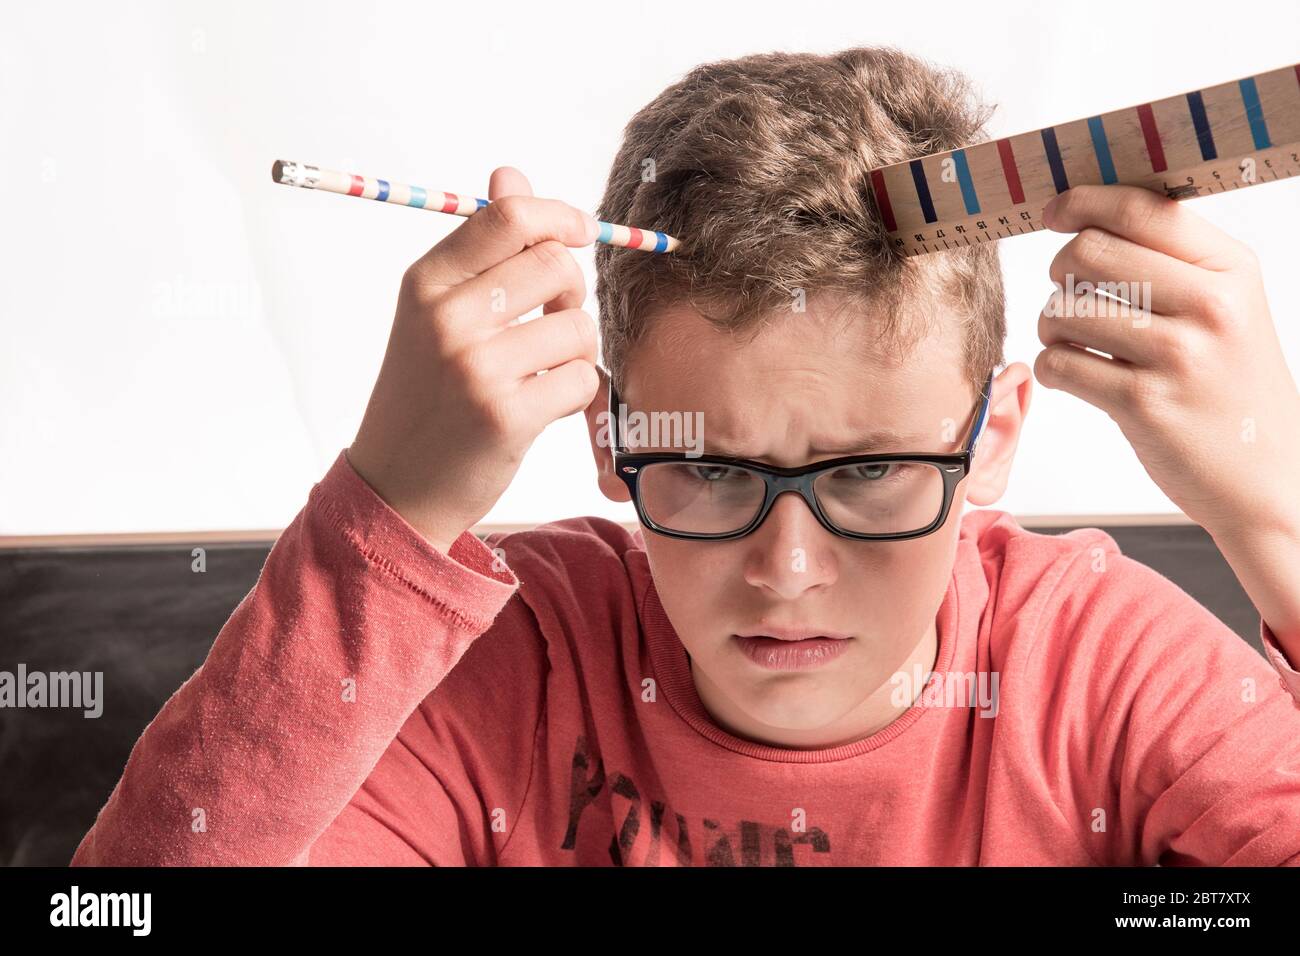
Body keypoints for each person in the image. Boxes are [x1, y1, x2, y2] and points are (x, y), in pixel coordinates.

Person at [72, 47, 1300, 866]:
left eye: (869, 470)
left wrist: (1280, 513)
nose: (788, 570)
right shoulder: (511, 669)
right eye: (712, 469)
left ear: (993, 442)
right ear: (609, 438)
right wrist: (386, 514)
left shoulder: (1101, 673)